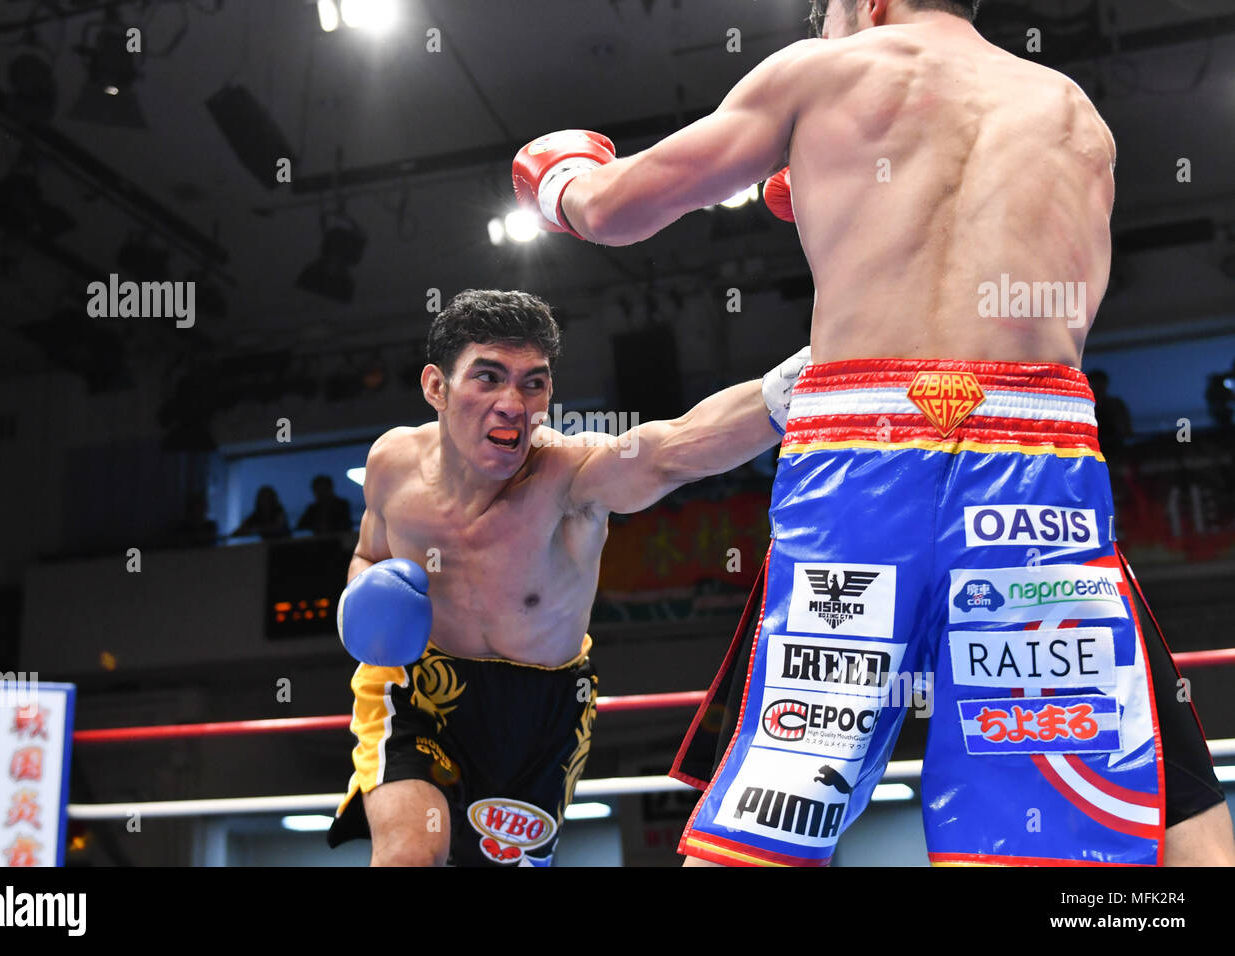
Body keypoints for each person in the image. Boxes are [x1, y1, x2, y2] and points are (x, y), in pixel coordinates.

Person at [512, 0, 1234, 866]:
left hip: (865, 450)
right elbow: (1057, 312)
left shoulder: (819, 73)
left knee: (779, 798)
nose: (823, 32)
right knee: (1046, 823)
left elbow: (613, 211)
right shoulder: (1073, 111)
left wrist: (563, 176)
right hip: (1038, 465)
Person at [325, 289, 809, 866]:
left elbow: (670, 450)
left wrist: (799, 383)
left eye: (534, 382)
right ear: (436, 387)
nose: (513, 402)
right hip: (420, 689)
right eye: (488, 377)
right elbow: (369, 557)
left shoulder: (570, 476)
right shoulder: (391, 463)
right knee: (409, 854)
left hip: (543, 707)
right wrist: (362, 601)